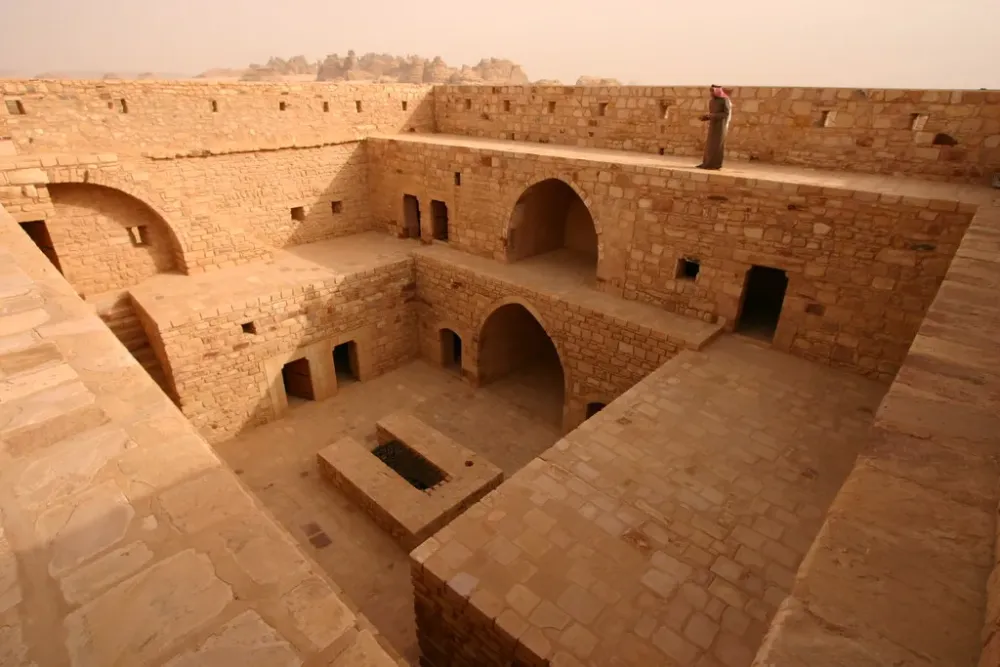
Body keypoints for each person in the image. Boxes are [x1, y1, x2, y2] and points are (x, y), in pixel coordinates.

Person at [697, 85, 732, 170]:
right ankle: (707, 163)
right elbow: (711, 114)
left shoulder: (725, 100)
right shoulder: (712, 101)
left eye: (713, 91)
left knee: (717, 145)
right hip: (713, 125)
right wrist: (706, 117)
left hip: (721, 126)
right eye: (711, 91)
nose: (711, 93)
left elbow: (725, 114)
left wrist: (712, 116)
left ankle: (716, 165)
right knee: (709, 145)